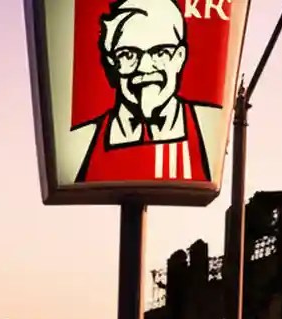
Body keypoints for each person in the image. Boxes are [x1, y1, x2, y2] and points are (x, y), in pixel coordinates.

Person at [76, 0, 214, 184]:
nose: (145, 67)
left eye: (161, 52)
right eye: (128, 54)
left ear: (179, 57)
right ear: (112, 62)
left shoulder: (208, 127)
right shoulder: (84, 140)